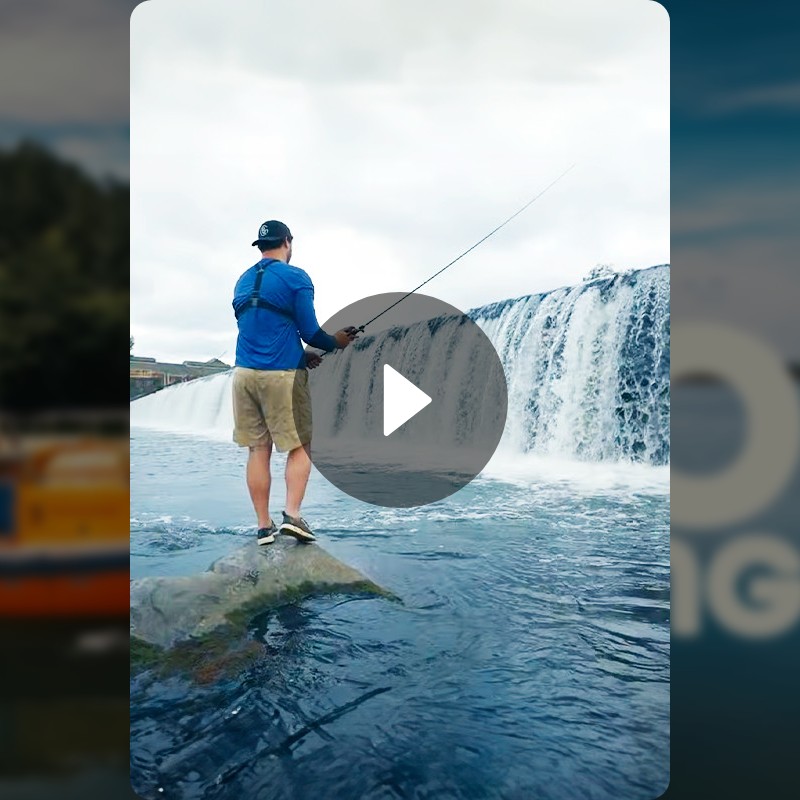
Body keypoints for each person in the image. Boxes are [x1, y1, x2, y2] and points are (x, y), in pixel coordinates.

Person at [232, 220, 357, 546]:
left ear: (260, 246)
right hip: (282, 378)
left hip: (243, 376)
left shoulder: (242, 281)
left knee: (258, 449)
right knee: (301, 445)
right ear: (288, 242)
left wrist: (301, 357)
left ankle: (263, 527)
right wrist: (337, 342)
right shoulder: (296, 277)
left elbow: (263, 330)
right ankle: (293, 516)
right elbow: (311, 331)